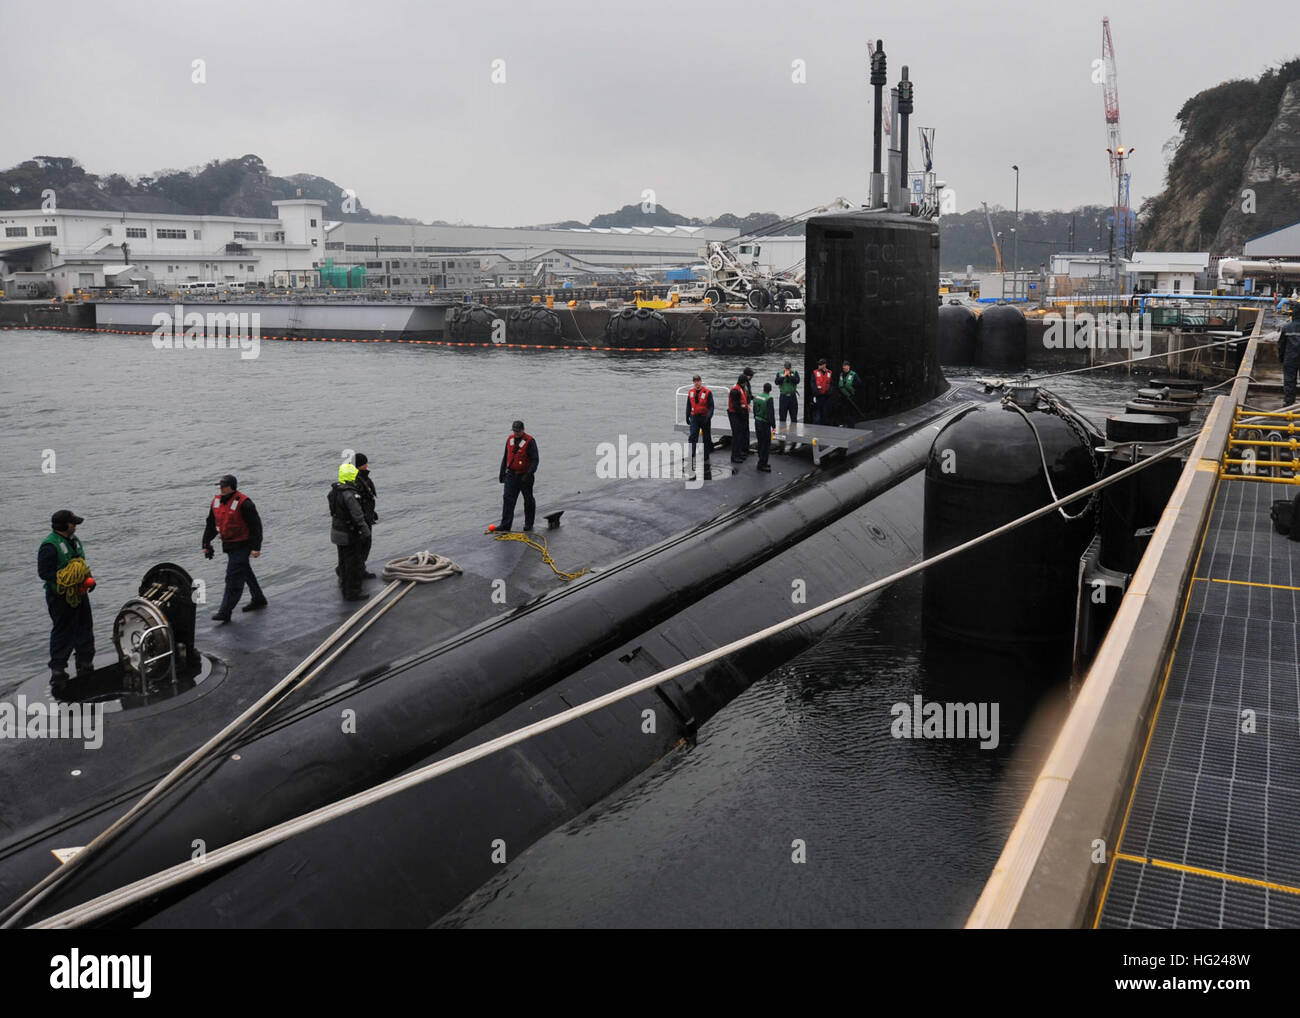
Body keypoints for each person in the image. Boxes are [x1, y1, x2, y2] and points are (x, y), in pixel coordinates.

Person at [38, 509, 95, 682]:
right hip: (60, 597)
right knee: (63, 631)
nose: (76, 526)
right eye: (73, 523)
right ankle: (58, 668)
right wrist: (67, 581)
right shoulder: (49, 546)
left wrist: (87, 579)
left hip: (80, 594)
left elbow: (81, 565)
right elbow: (44, 572)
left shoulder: (74, 541)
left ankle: (85, 661)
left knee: (85, 627)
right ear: (65, 525)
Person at [202, 474, 266, 622]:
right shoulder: (216, 502)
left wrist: (256, 547)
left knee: (232, 578)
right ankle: (258, 598)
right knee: (245, 571)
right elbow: (210, 524)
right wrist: (206, 543)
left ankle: (225, 611)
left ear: (231, 487)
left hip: (243, 544)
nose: (221, 488)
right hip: (229, 544)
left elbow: (256, 526)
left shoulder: (245, 503)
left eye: (223, 486)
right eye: (220, 486)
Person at [330, 463, 371, 601]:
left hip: (336, 532)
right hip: (349, 534)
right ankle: (353, 592)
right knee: (352, 563)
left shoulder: (334, 492)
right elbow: (357, 516)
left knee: (342, 560)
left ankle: (343, 585)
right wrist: (366, 532)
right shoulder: (350, 495)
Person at [499, 420, 539, 532]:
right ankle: (505, 524)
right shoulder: (509, 440)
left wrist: (529, 474)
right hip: (511, 475)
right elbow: (506, 457)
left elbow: (535, 460)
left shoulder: (530, 441)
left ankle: (528, 523)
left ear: (523, 430)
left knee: (528, 499)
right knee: (507, 499)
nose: (516, 433)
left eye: (518, 431)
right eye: (514, 431)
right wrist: (502, 473)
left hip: (525, 476)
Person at [354, 453, 378, 579]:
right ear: (360, 466)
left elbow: (368, 498)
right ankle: (356, 570)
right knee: (362, 545)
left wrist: (372, 512)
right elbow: (357, 502)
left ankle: (359, 568)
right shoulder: (358, 480)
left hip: (366, 516)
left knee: (364, 545)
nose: (367, 465)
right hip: (362, 520)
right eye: (365, 463)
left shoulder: (362, 479)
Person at [686, 374, 714, 475]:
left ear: (701, 381)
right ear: (693, 382)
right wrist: (687, 416)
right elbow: (688, 405)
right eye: (695, 381)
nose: (697, 383)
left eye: (698, 381)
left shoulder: (707, 392)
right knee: (692, 436)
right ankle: (691, 455)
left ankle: (706, 455)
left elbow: (711, 406)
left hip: (704, 417)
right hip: (694, 417)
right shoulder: (691, 392)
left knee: (706, 437)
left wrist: (709, 416)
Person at [727, 373, 751, 463]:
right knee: (736, 435)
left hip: (740, 414)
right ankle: (734, 456)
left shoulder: (740, 388)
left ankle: (739, 453)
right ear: (743, 382)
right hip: (735, 415)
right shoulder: (735, 391)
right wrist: (742, 415)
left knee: (740, 435)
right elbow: (736, 406)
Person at [753, 382, 776, 472]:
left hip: (757, 421)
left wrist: (755, 417)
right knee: (766, 445)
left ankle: (762, 461)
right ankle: (762, 464)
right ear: (770, 390)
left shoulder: (758, 397)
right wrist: (773, 426)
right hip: (764, 423)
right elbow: (771, 413)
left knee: (760, 442)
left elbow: (754, 409)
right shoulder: (769, 399)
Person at [1280, 308, 1300, 406]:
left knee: (1289, 380)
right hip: (1291, 358)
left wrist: (1281, 358)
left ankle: (1289, 402)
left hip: (1290, 358)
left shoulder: (1287, 328)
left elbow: (1281, 345)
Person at [775, 361, 800, 427]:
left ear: (791, 368)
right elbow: (776, 382)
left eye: (789, 369)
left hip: (792, 397)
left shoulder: (794, 373)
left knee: (794, 416)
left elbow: (797, 381)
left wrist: (790, 376)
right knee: (782, 416)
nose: (787, 370)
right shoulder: (780, 373)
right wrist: (783, 376)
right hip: (783, 397)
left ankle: (794, 431)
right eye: (786, 369)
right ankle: (782, 431)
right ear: (784, 368)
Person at [838, 360, 862, 426]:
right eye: (843, 366)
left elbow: (859, 383)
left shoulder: (853, 374)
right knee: (844, 411)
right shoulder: (841, 374)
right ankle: (844, 424)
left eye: (845, 366)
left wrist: (852, 385)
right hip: (843, 397)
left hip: (851, 396)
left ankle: (851, 426)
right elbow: (840, 385)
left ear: (848, 367)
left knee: (851, 412)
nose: (844, 367)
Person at [812, 358, 833, 424]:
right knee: (817, 415)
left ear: (824, 365)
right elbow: (812, 384)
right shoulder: (815, 372)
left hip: (826, 397)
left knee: (825, 413)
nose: (819, 366)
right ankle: (816, 427)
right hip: (818, 396)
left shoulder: (829, 372)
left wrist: (830, 391)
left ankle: (824, 428)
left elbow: (831, 384)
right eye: (818, 364)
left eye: (820, 364)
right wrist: (816, 393)